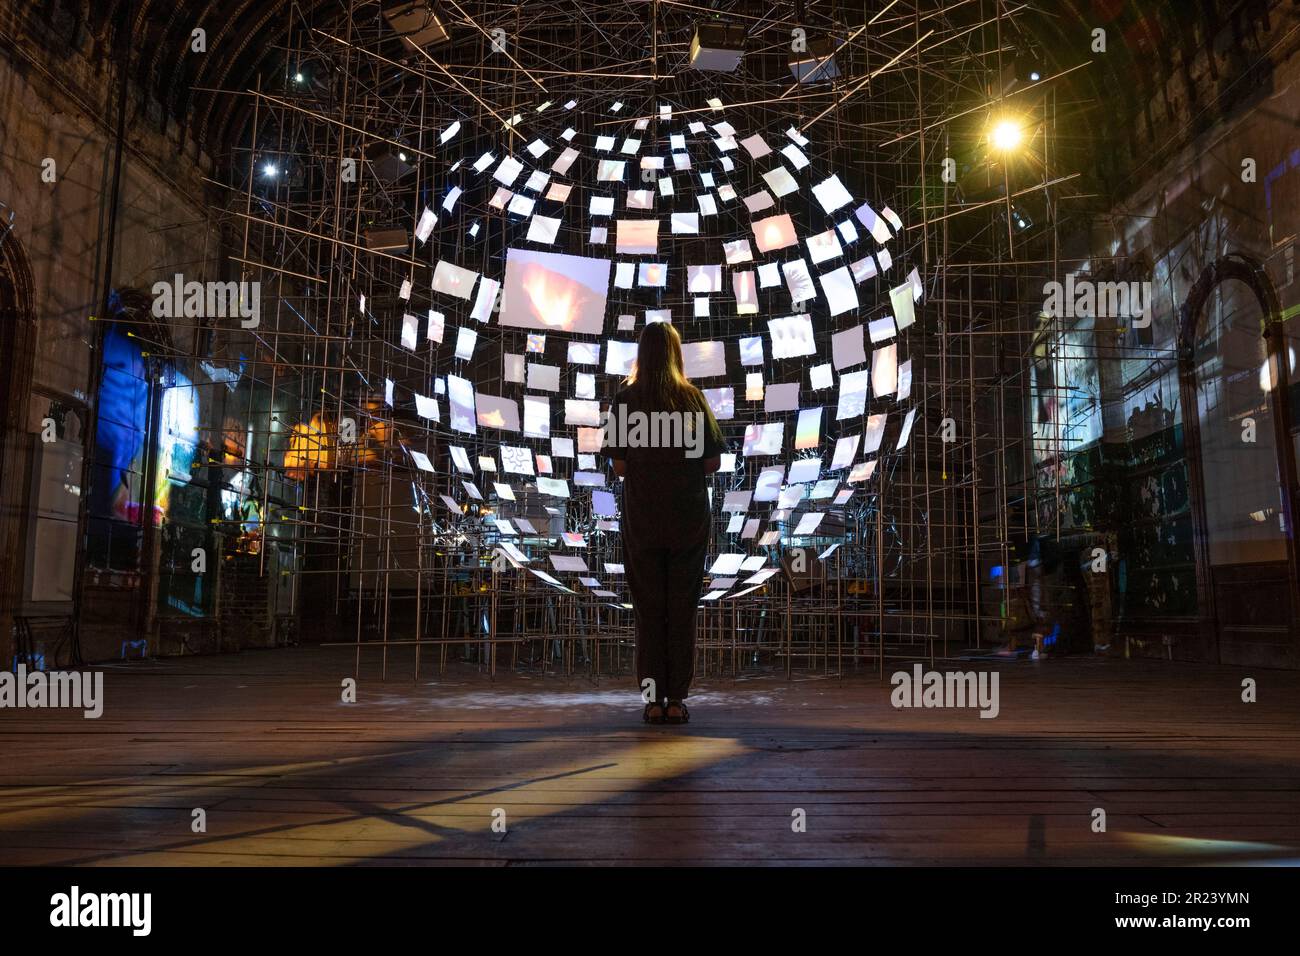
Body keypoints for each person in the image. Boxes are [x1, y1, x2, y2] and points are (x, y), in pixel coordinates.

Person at [604, 322, 725, 725]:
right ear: (676, 354)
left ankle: (653, 701)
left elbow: (619, 466)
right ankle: (677, 700)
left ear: (641, 354)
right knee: (682, 609)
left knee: (648, 610)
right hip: (687, 518)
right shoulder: (692, 400)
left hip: (643, 519)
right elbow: (711, 463)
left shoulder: (624, 401)